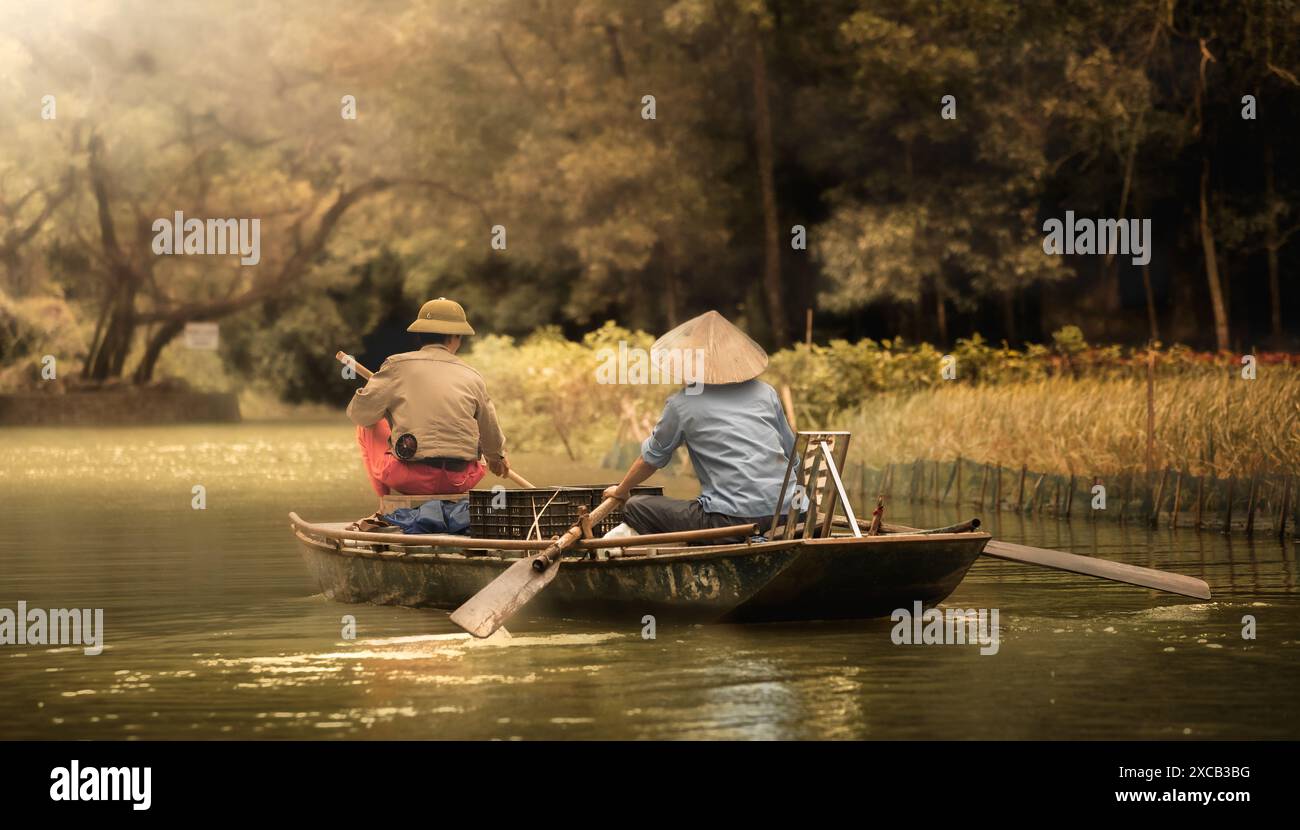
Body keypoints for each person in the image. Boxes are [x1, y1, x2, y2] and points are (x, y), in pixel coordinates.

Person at [602, 310, 796, 539]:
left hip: (731, 520)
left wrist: (621, 491)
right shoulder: (766, 392)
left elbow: (650, 459)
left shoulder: (682, 404)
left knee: (637, 506)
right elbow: (792, 452)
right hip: (791, 511)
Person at [347, 297, 509, 497]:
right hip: (461, 480)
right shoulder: (472, 376)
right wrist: (497, 457)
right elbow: (491, 435)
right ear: (454, 337)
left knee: (366, 427)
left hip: (408, 479)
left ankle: (385, 505)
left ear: (420, 335)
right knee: (483, 443)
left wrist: (378, 397)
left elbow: (360, 415)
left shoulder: (396, 366)